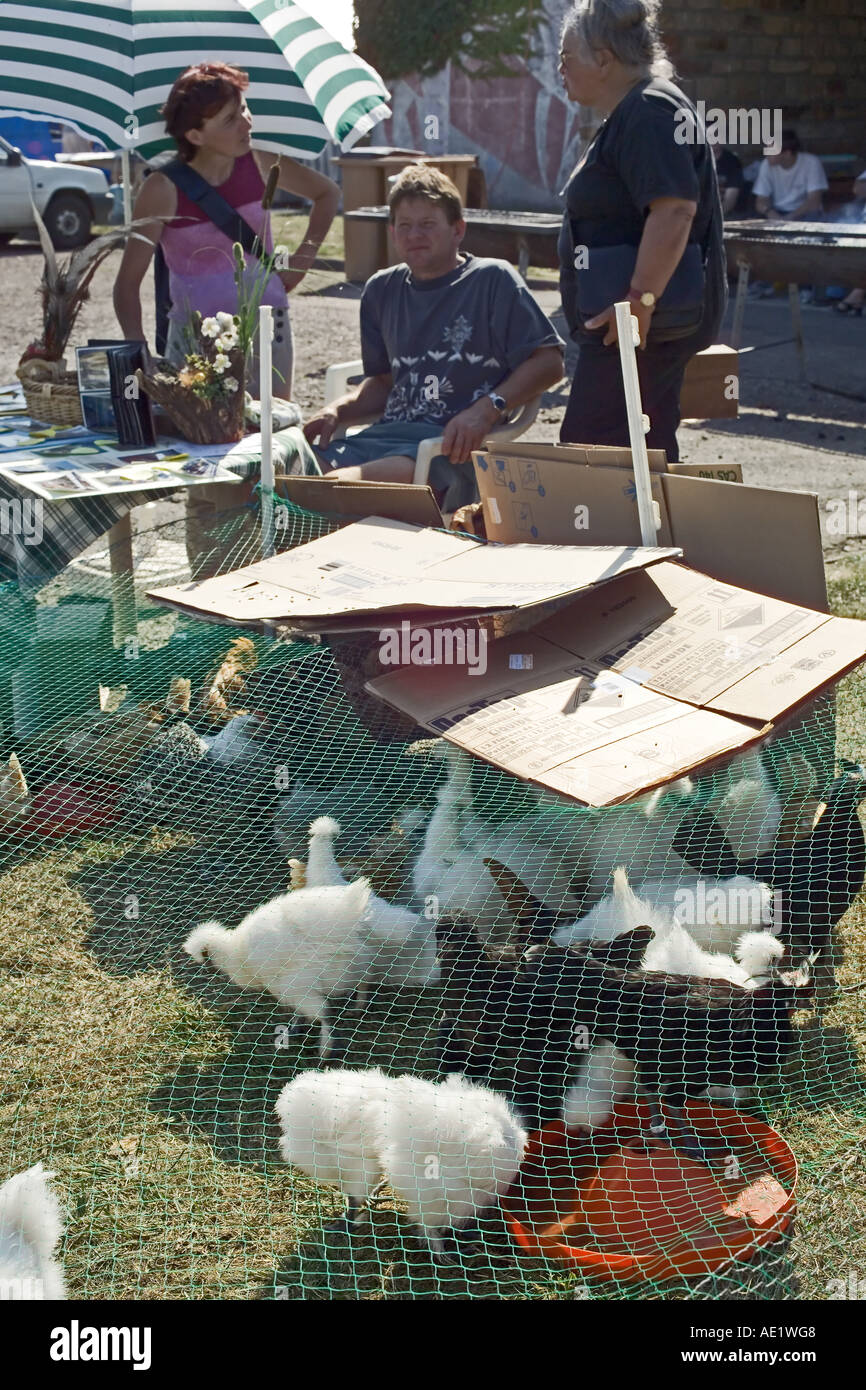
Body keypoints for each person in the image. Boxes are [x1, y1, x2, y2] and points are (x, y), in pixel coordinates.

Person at [113, 62, 340, 576]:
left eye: (245, 110)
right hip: (197, 351)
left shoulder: (261, 163)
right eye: (233, 117)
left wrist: (299, 262)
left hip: (267, 336)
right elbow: (126, 284)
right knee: (209, 470)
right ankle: (212, 583)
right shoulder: (162, 187)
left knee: (269, 454)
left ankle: (274, 573)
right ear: (195, 134)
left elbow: (328, 193)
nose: (248, 123)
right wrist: (140, 355)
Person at [302, 164, 565, 512]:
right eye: (405, 226)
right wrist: (337, 410)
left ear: (458, 230)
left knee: (332, 491)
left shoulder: (491, 279)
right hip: (382, 439)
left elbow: (550, 362)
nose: (414, 236)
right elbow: (384, 383)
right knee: (281, 473)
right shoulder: (382, 289)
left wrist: (487, 411)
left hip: (448, 451)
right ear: (393, 232)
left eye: (427, 225)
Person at [557, 0, 726, 462]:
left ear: (604, 58)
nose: (560, 70)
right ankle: (649, 535)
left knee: (596, 457)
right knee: (628, 451)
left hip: (638, 329)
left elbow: (674, 211)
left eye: (566, 58)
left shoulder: (649, 109)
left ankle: (640, 536)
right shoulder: (641, 107)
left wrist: (639, 300)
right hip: (632, 328)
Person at [753, 129, 828, 221]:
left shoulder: (811, 162)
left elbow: (814, 201)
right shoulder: (766, 165)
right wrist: (770, 212)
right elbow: (761, 200)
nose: (766, 153)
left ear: (787, 154)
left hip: (805, 213)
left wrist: (789, 218)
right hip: (778, 212)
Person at [709, 135, 746, 217]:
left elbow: (730, 200)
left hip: (724, 214)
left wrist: (714, 218)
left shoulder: (732, 161)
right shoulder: (696, 159)